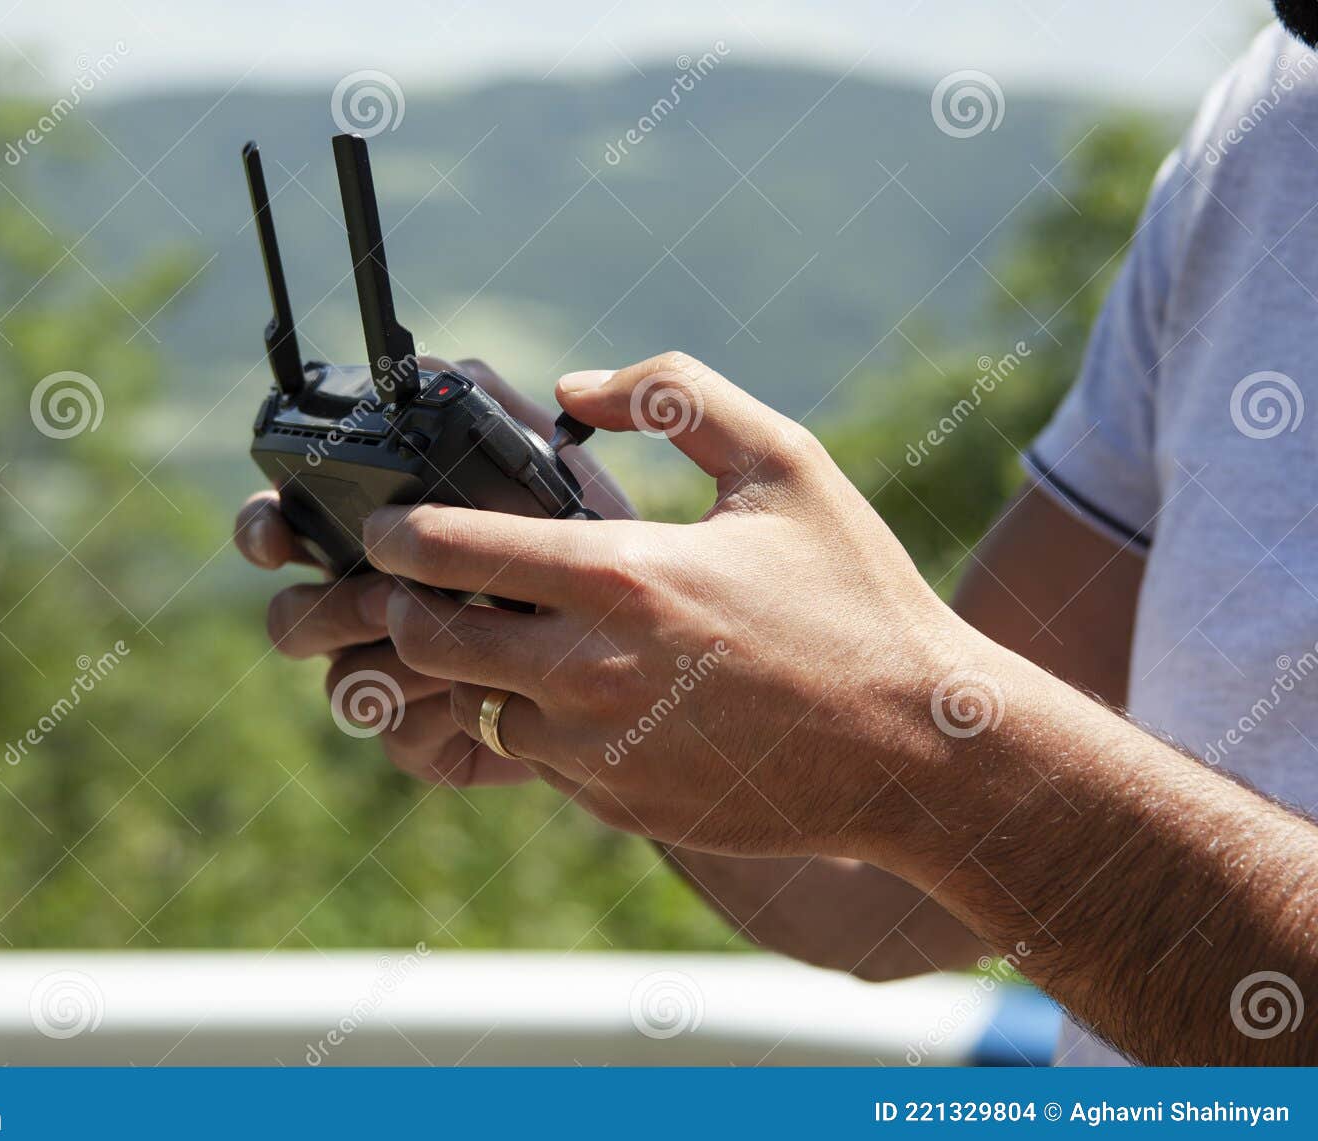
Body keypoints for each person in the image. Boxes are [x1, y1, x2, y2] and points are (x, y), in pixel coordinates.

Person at [237, 16, 1318, 1065]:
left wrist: (911, 749)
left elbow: (939, 786)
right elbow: (883, 901)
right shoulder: (1267, 129)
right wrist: (600, 648)